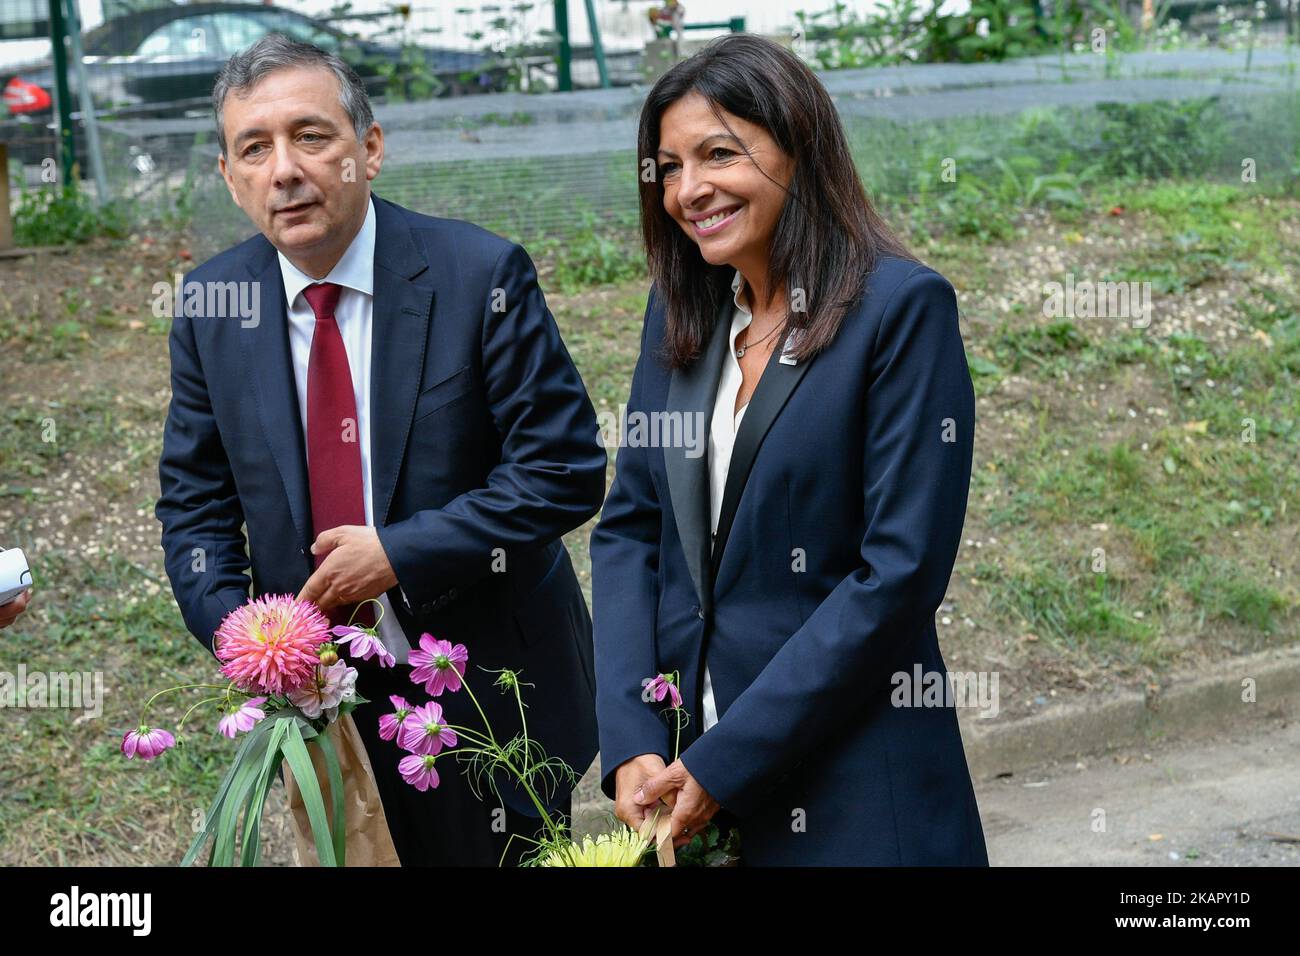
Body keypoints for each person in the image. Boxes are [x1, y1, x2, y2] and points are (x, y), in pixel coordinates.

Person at [155, 33, 605, 865]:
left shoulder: (478, 276)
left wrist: (399, 553)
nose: (284, 170)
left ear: (368, 149)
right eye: (254, 148)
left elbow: (564, 469)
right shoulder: (213, 305)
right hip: (324, 703)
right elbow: (194, 504)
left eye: (310, 136)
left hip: (484, 691)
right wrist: (246, 640)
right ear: (229, 176)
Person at [590, 34, 989, 865]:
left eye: (719, 154)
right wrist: (631, 736)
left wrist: (727, 759)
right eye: (669, 166)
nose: (689, 189)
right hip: (683, 788)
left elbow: (898, 575)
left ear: (799, 150)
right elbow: (631, 530)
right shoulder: (682, 313)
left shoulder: (900, 311)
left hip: (853, 791)